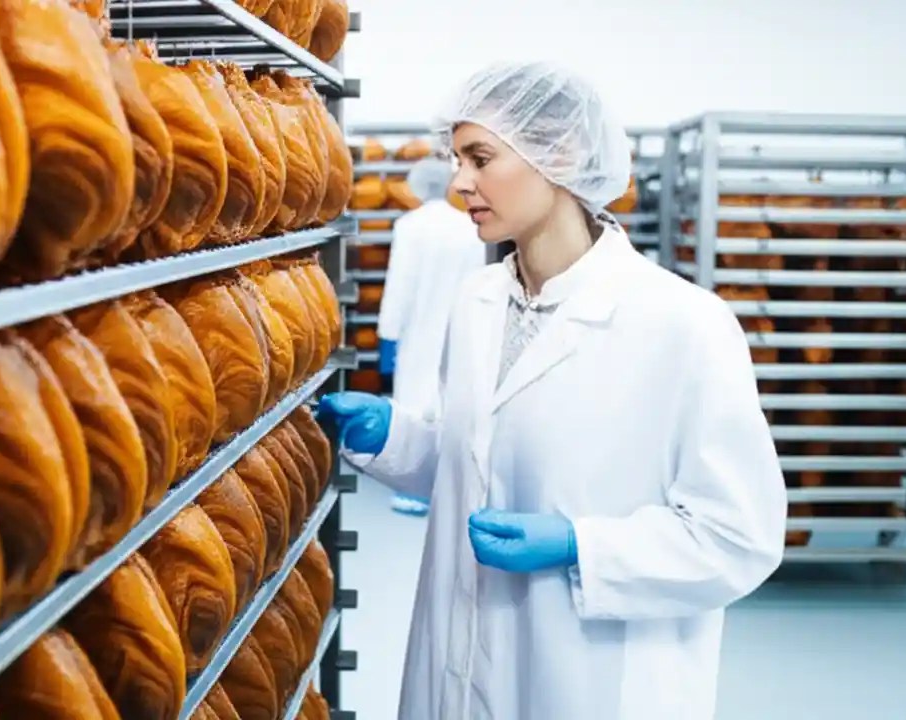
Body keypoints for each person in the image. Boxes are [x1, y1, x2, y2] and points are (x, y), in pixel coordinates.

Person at [317, 61, 786, 720]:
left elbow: (739, 535)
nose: (459, 182)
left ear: (559, 157)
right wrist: (396, 438)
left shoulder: (682, 323)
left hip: (594, 681)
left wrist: (581, 546)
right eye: (457, 159)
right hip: (460, 661)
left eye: (480, 158)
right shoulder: (476, 302)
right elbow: (478, 464)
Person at [377, 155, 488, 516]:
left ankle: (414, 488)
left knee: (413, 406)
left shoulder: (410, 226)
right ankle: (454, 486)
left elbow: (401, 283)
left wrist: (388, 332)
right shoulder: (468, 227)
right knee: (452, 404)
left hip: (418, 329)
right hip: (462, 326)